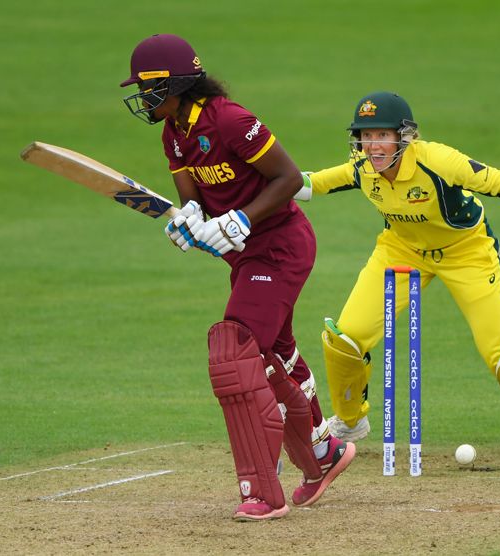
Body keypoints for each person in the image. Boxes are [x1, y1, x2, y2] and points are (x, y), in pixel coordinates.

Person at [119, 34, 354, 521]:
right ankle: (323, 453)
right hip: (248, 259)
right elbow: (196, 203)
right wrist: (189, 223)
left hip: (282, 246)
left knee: (235, 347)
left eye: (151, 87)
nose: (144, 98)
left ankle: (263, 490)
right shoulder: (174, 134)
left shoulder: (229, 119)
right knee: (270, 354)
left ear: (179, 82)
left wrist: (242, 219)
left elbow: (288, 178)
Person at [295, 91, 500, 457]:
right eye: (365, 136)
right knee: (344, 338)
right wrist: (254, 177)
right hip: (402, 251)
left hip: (466, 252)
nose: (372, 145)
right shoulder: (363, 169)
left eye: (381, 135)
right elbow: (310, 183)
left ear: (404, 136)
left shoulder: (438, 160)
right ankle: (350, 420)